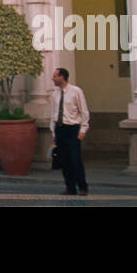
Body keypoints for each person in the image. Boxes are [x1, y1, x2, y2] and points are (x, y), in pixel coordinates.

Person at [50, 67, 90, 197]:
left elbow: (83, 111)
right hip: (59, 129)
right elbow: (54, 113)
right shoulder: (55, 93)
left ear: (62, 77)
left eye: (55, 76)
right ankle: (70, 187)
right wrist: (53, 132)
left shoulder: (76, 91)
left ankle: (82, 187)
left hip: (72, 129)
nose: (53, 78)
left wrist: (83, 129)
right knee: (64, 160)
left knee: (75, 160)